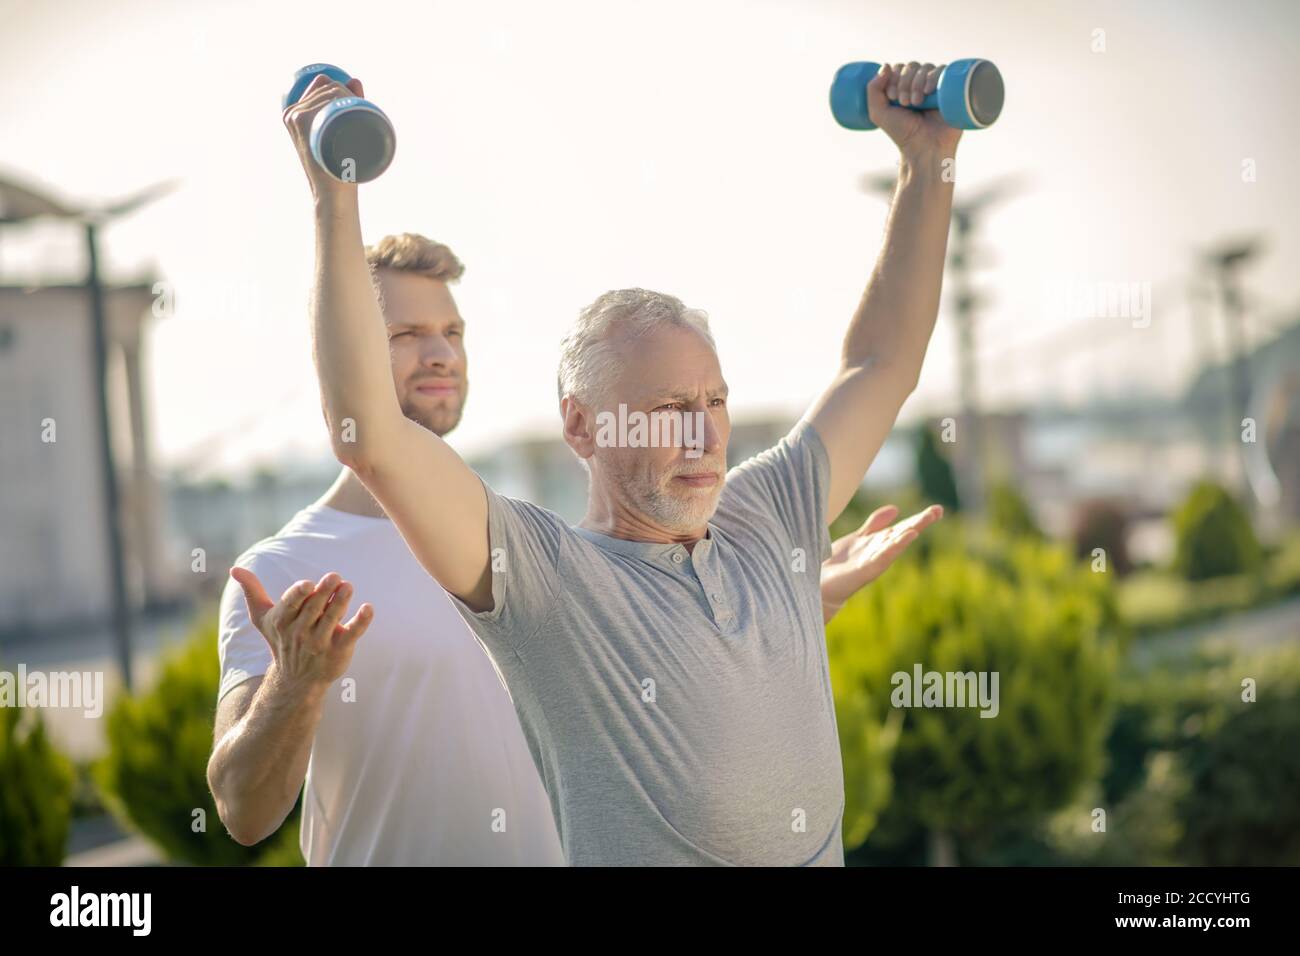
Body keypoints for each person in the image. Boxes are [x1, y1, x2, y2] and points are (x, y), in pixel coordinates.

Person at [270, 59, 957, 865]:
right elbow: (370, 436)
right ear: (583, 426)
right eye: (668, 411)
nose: (705, 437)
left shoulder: (769, 513)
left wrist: (927, 162)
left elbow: (881, 362)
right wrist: (334, 196)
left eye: (714, 402)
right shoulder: (550, 583)